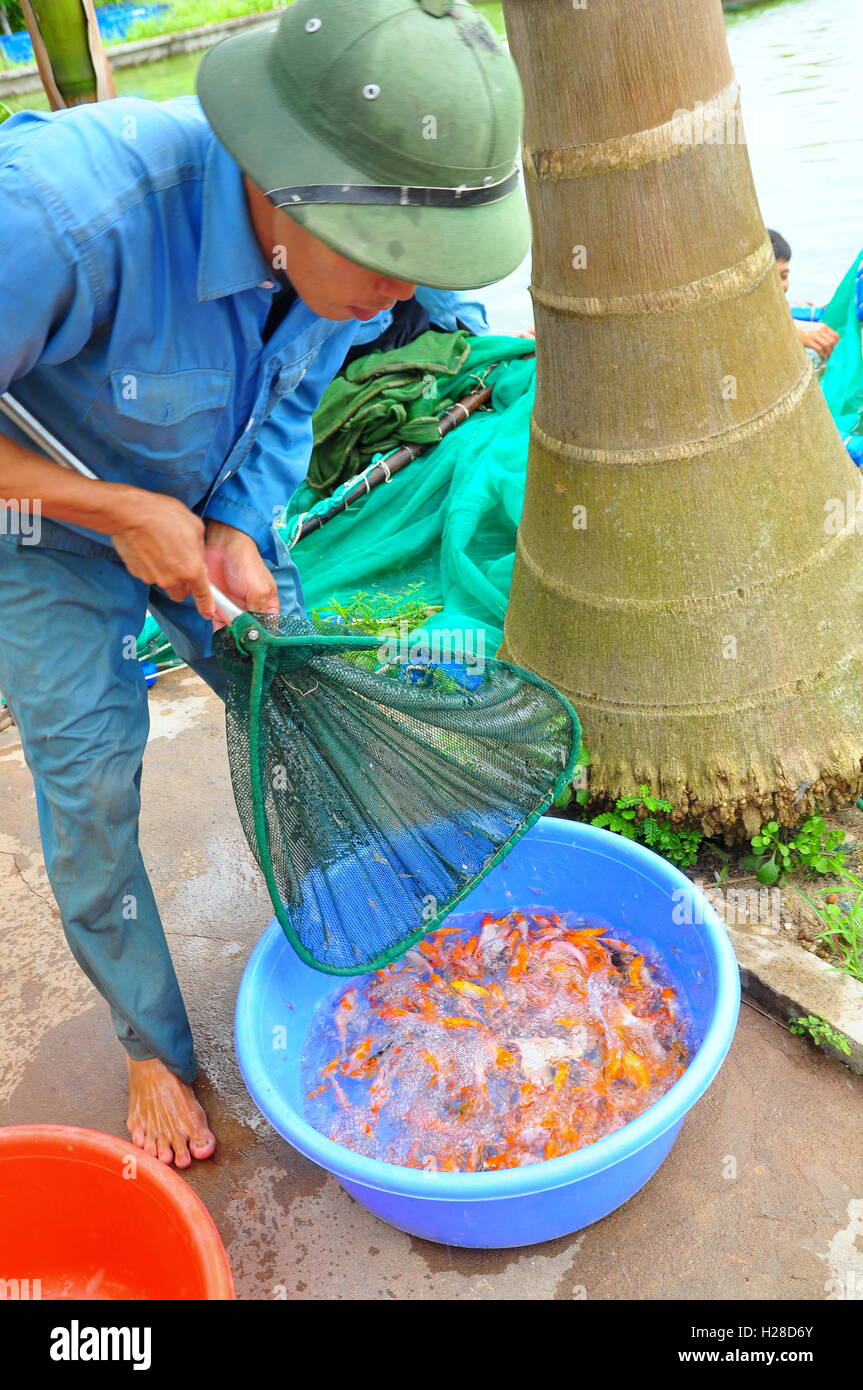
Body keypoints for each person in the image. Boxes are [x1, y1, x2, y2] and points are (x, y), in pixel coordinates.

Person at [0, 0, 528, 1168]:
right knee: (87, 779)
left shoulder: (347, 275)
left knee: (287, 690)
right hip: (38, 519)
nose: (404, 299)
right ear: (283, 186)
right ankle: (147, 1041)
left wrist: (235, 525)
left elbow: (290, 397)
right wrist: (116, 512)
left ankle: (369, 918)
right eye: (390, 264)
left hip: (199, 497)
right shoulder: (59, 216)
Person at [768, 228, 840, 364]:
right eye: (770, 278)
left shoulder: (787, 313)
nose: (781, 286)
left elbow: (822, 315)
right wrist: (790, 331)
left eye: (784, 276)